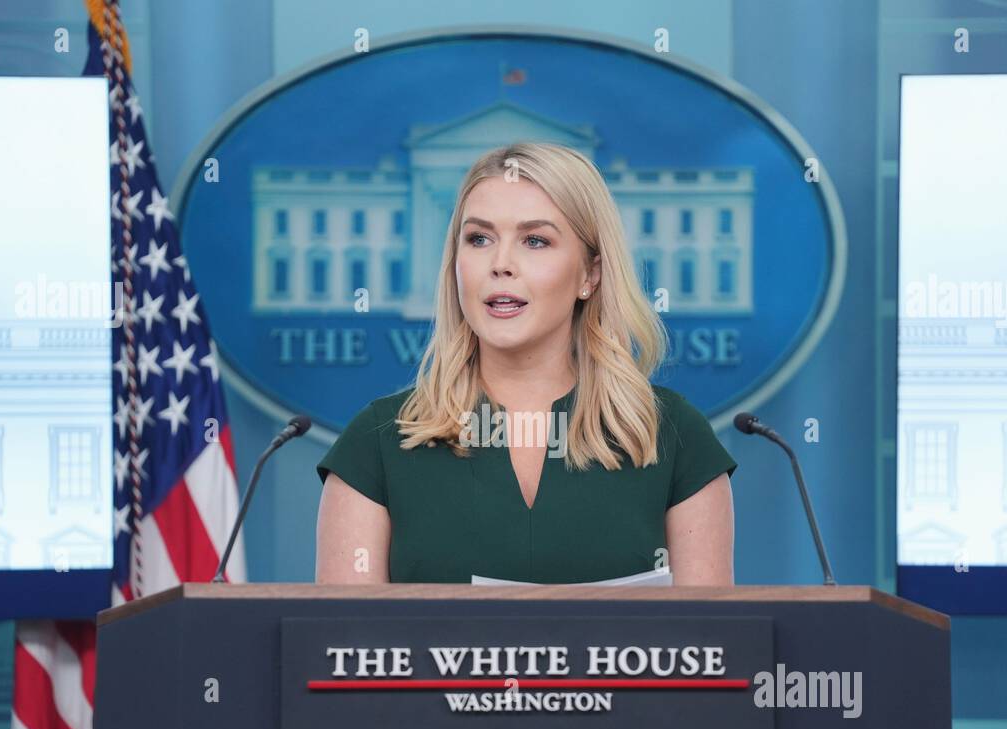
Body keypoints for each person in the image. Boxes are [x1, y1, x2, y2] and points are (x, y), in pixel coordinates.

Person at [315, 142, 736, 585]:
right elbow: (345, 647)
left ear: (590, 274)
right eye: (479, 239)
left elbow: (711, 647)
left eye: (535, 241)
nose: (501, 264)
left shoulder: (674, 436)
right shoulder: (376, 443)